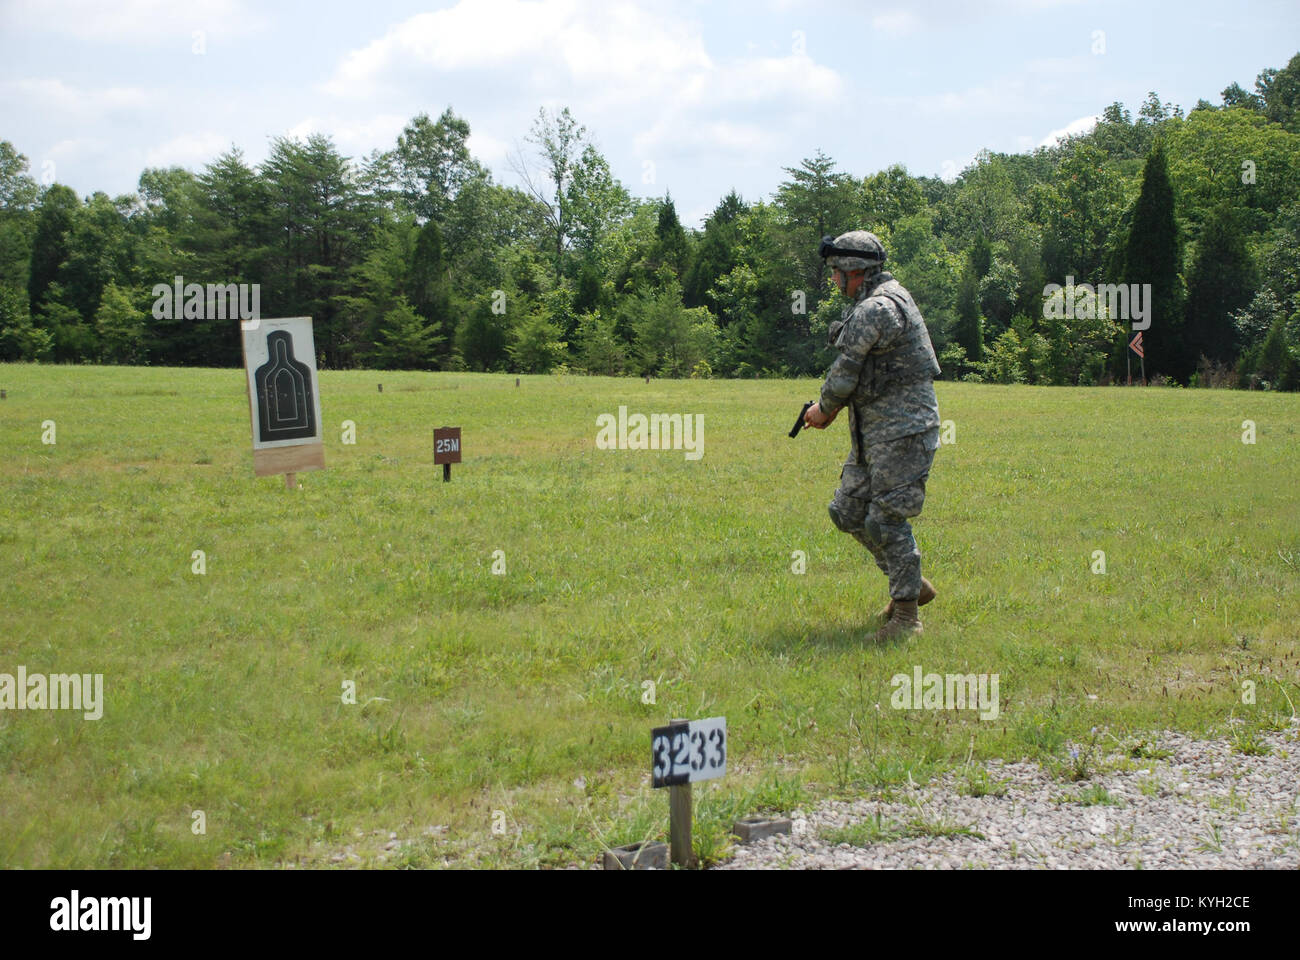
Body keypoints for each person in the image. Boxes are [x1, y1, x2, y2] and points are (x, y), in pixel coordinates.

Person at [803, 230, 941, 640]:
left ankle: (906, 619)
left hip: (903, 432)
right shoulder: (878, 302)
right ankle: (911, 584)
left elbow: (845, 373)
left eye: (836, 272)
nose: (833, 280)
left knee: (884, 520)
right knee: (846, 511)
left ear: (855, 271)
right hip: (874, 433)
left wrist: (822, 409)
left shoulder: (877, 308)